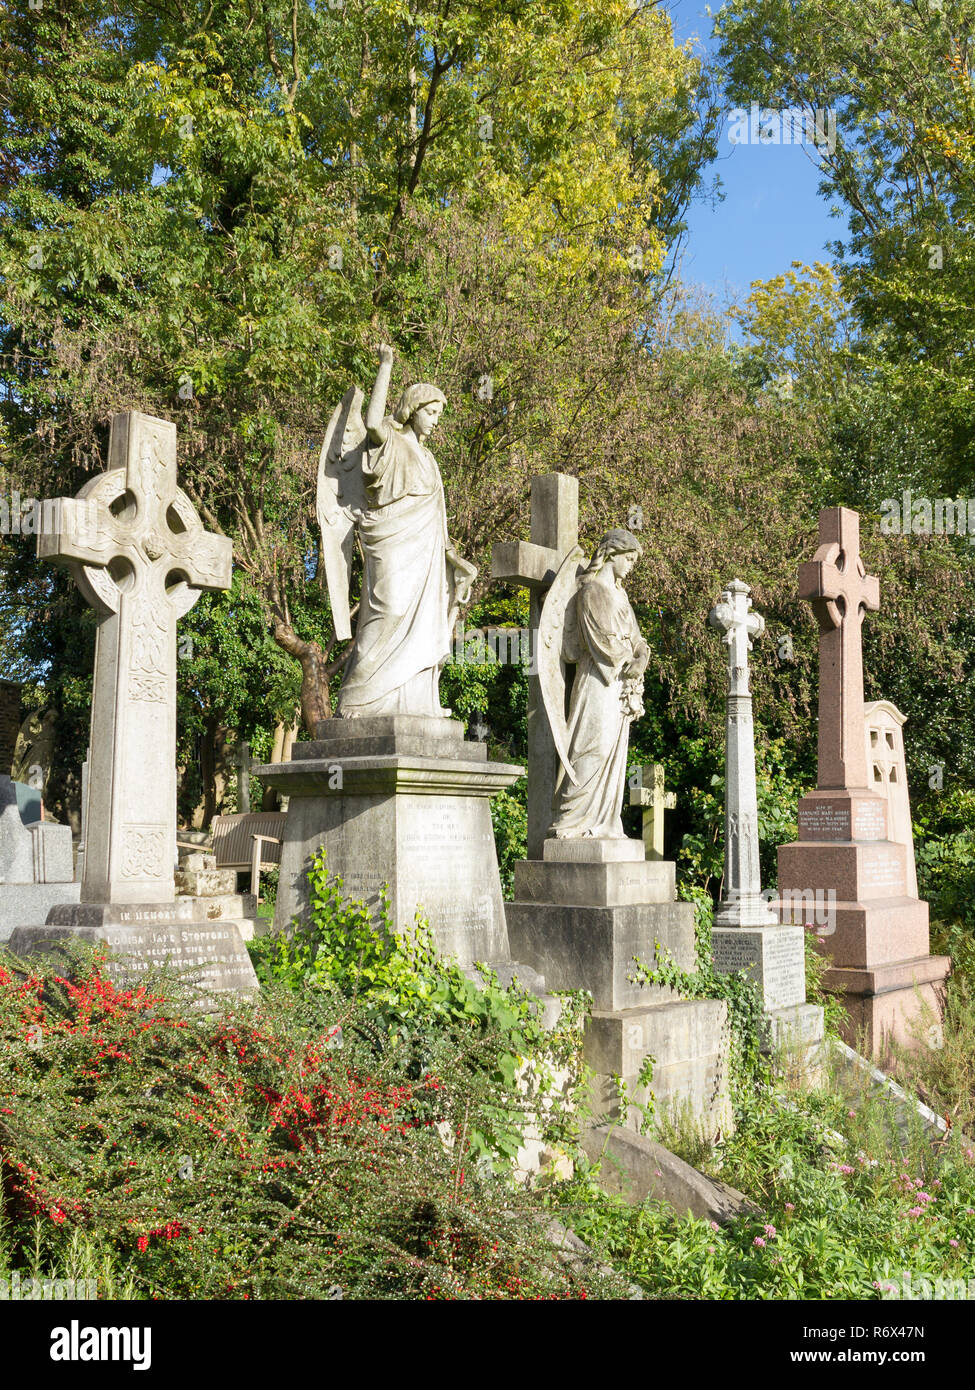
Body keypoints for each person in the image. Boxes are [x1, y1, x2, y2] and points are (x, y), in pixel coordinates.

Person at [337, 344, 475, 717]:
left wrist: (455, 561)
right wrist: (386, 366)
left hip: (427, 553)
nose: (435, 419)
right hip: (392, 542)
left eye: (438, 414)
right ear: (412, 410)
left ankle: (416, 703)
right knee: (390, 609)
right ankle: (359, 699)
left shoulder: (431, 461)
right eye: (430, 412)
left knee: (423, 622)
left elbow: (438, 520)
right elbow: (370, 424)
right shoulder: (392, 441)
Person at [550, 529, 649, 838]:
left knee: (614, 755)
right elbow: (600, 641)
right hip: (598, 681)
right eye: (629, 559)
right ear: (610, 555)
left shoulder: (622, 595)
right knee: (592, 747)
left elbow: (638, 639)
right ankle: (571, 820)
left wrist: (642, 657)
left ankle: (604, 823)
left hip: (621, 687)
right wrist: (628, 659)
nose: (631, 566)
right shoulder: (591, 591)